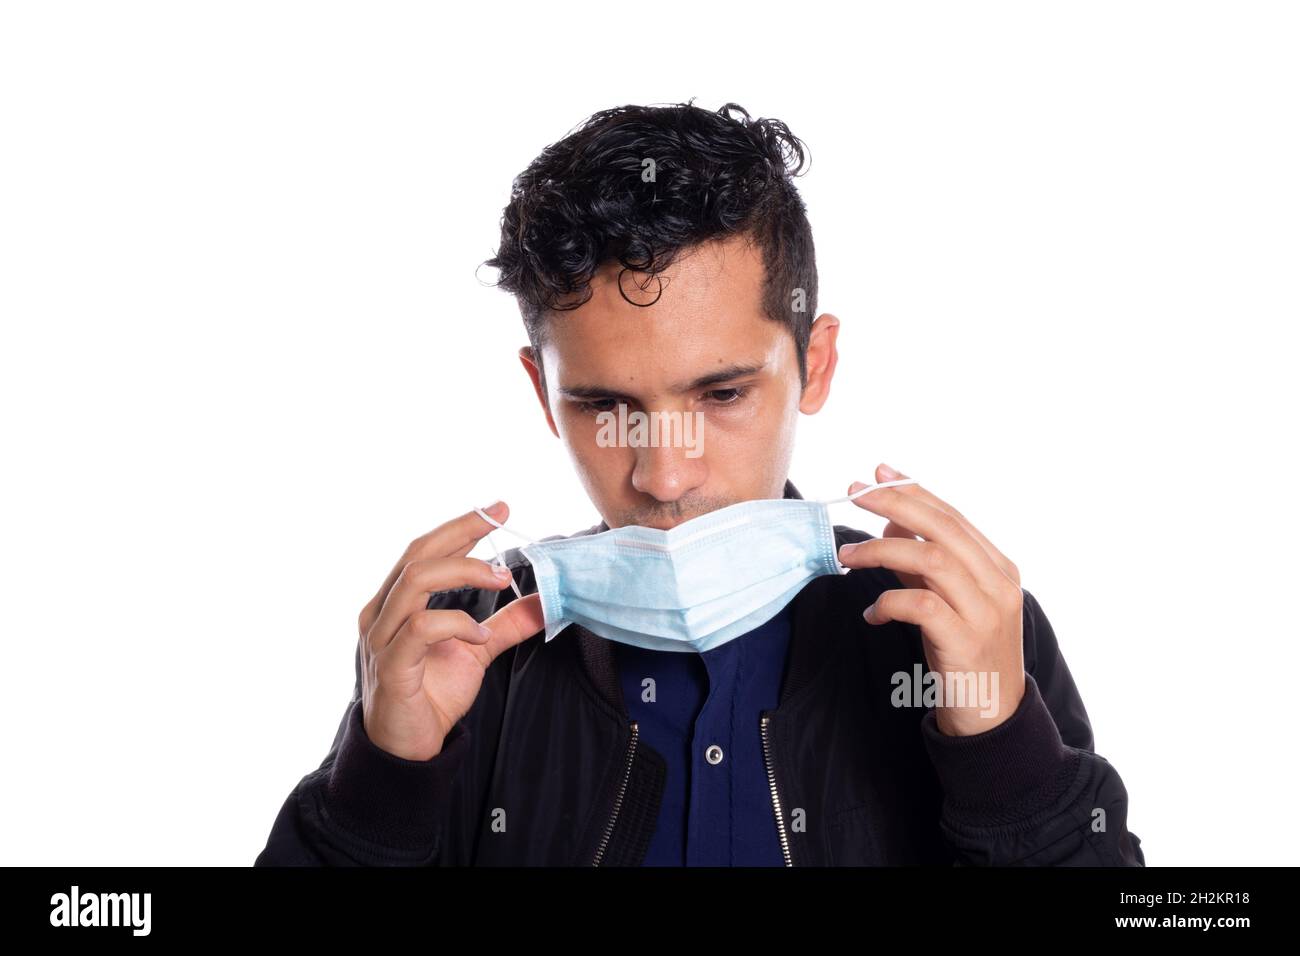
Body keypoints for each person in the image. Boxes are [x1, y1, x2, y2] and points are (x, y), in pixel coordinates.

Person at [254, 100, 1144, 866]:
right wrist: (381, 781)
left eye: (721, 395)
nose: (665, 474)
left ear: (815, 363)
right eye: (605, 406)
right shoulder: (466, 649)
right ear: (542, 393)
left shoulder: (955, 630)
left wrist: (1001, 753)